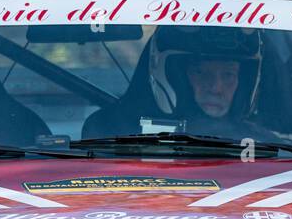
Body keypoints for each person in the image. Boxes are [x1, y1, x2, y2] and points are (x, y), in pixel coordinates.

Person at [81, 27, 265, 141]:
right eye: (200, 73)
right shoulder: (109, 131)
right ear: (174, 76)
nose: (216, 88)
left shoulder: (268, 146)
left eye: (228, 75)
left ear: (245, 82)